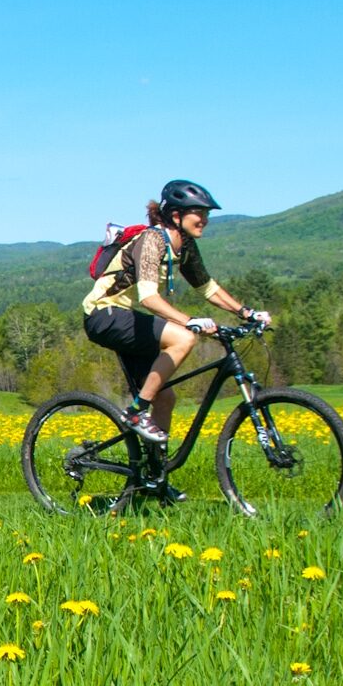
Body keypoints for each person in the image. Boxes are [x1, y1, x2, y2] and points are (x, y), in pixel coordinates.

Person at [81, 179, 272, 500]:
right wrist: (190, 321)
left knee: (166, 400)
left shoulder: (184, 246)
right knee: (183, 339)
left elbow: (208, 288)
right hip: (105, 314)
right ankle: (136, 412)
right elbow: (148, 297)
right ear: (175, 215)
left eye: (206, 214)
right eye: (198, 213)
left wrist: (246, 312)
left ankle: (154, 481)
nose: (205, 220)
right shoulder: (152, 240)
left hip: (131, 323)